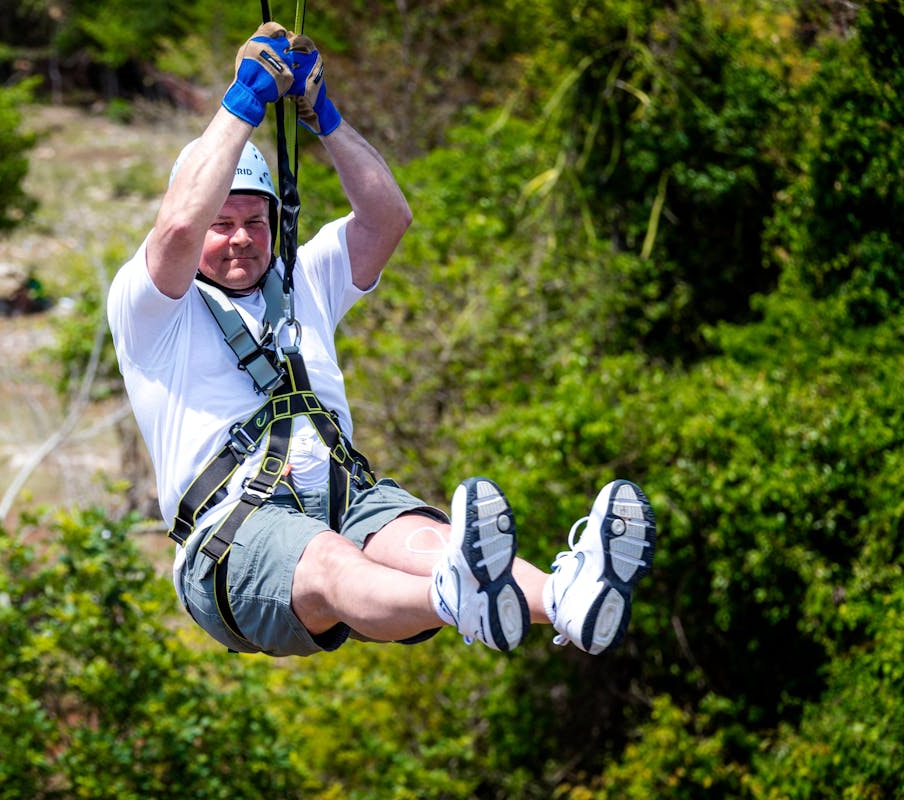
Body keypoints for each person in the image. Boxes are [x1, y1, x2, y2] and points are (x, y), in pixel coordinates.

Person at [106, 22, 656, 657]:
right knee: (330, 560)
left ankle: (567, 599)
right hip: (231, 537)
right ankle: (454, 599)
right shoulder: (153, 308)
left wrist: (324, 115)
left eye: (255, 220)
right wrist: (244, 101)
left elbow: (388, 217)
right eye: (221, 223)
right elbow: (178, 226)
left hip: (344, 495)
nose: (241, 238)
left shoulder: (303, 278)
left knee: (434, 542)